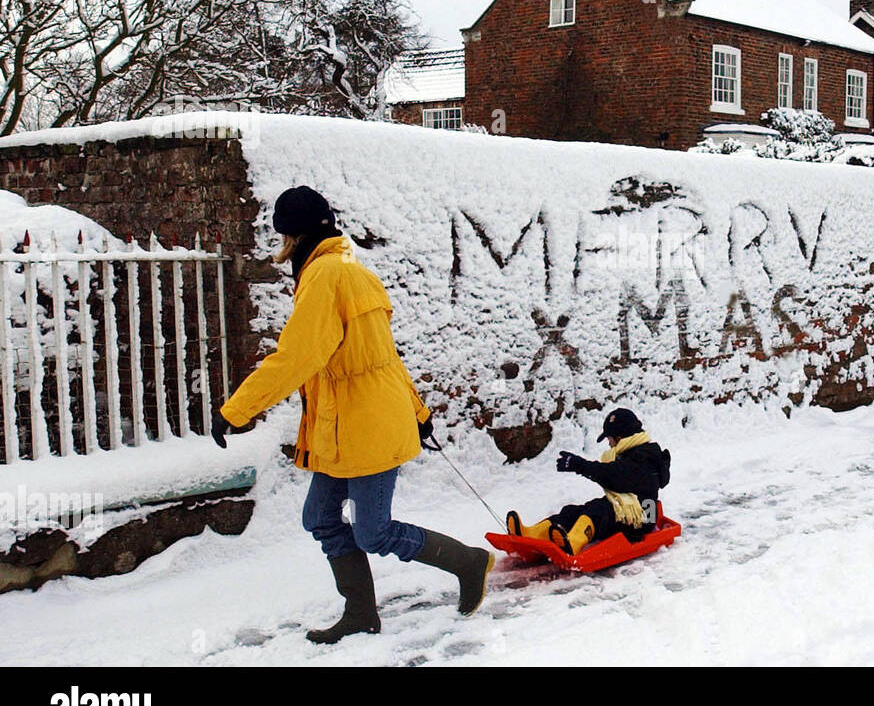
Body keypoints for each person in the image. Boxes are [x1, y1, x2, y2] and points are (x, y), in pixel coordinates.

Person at [210, 185, 494, 644]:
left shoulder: (326, 276)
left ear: (296, 236)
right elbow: (385, 359)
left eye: (283, 236)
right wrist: (418, 411)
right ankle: (360, 613)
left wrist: (236, 411)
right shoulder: (350, 270)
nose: (280, 247)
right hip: (349, 427)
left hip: (367, 429)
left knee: (372, 532)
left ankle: (467, 562)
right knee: (321, 517)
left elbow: (296, 358)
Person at [507, 408, 670, 555]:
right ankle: (531, 534)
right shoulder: (632, 452)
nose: (609, 442)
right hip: (627, 509)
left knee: (598, 511)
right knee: (574, 511)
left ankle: (572, 542)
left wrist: (580, 465)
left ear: (619, 436)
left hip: (643, 518)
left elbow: (615, 476)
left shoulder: (645, 457)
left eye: (610, 438)